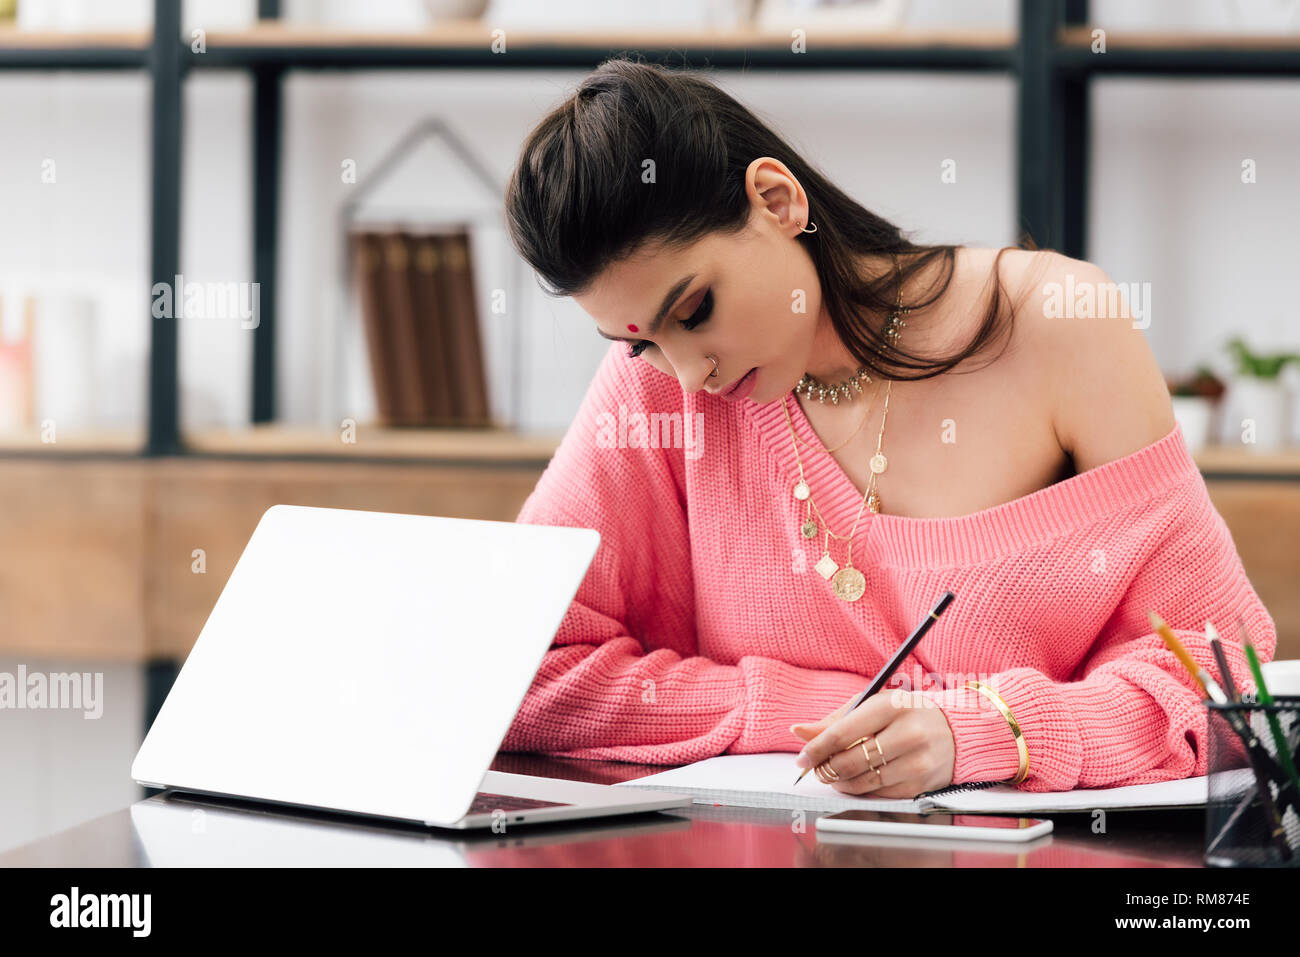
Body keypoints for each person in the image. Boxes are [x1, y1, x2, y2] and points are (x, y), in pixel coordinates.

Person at [498, 56, 1276, 797]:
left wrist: (987, 731)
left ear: (777, 202)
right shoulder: (658, 391)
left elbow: (1221, 678)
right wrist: (807, 709)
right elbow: (519, 669)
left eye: (695, 309)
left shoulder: (1062, 322)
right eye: (639, 341)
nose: (689, 371)